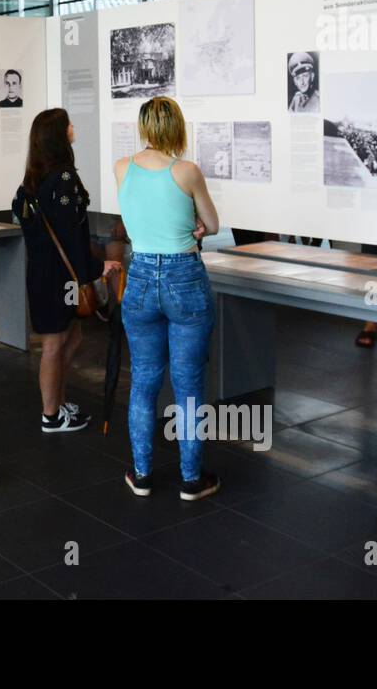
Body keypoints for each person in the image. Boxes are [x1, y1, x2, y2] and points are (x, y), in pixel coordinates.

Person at [113, 96, 220, 502]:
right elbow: (211, 224)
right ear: (176, 127)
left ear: (143, 127)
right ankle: (191, 479)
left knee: (143, 380)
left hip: (139, 275)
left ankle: (141, 474)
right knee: (188, 383)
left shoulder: (122, 167)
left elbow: (135, 217)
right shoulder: (187, 171)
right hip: (183, 277)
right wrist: (195, 229)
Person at [13, 108, 115, 433]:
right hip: (61, 278)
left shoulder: (33, 179)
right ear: (59, 135)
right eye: (68, 124)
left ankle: (57, 402)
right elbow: (72, 236)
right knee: (56, 343)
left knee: (71, 336)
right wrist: (98, 268)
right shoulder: (64, 178)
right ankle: (51, 415)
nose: (73, 127)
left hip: (43, 273)